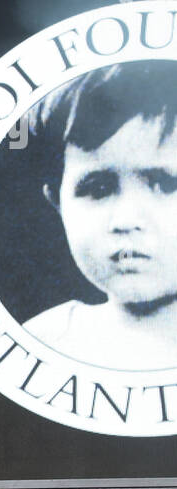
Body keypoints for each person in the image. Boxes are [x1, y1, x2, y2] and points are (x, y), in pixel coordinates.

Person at [24, 60, 177, 369]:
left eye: (164, 184)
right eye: (98, 188)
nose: (125, 221)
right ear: (58, 203)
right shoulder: (43, 345)